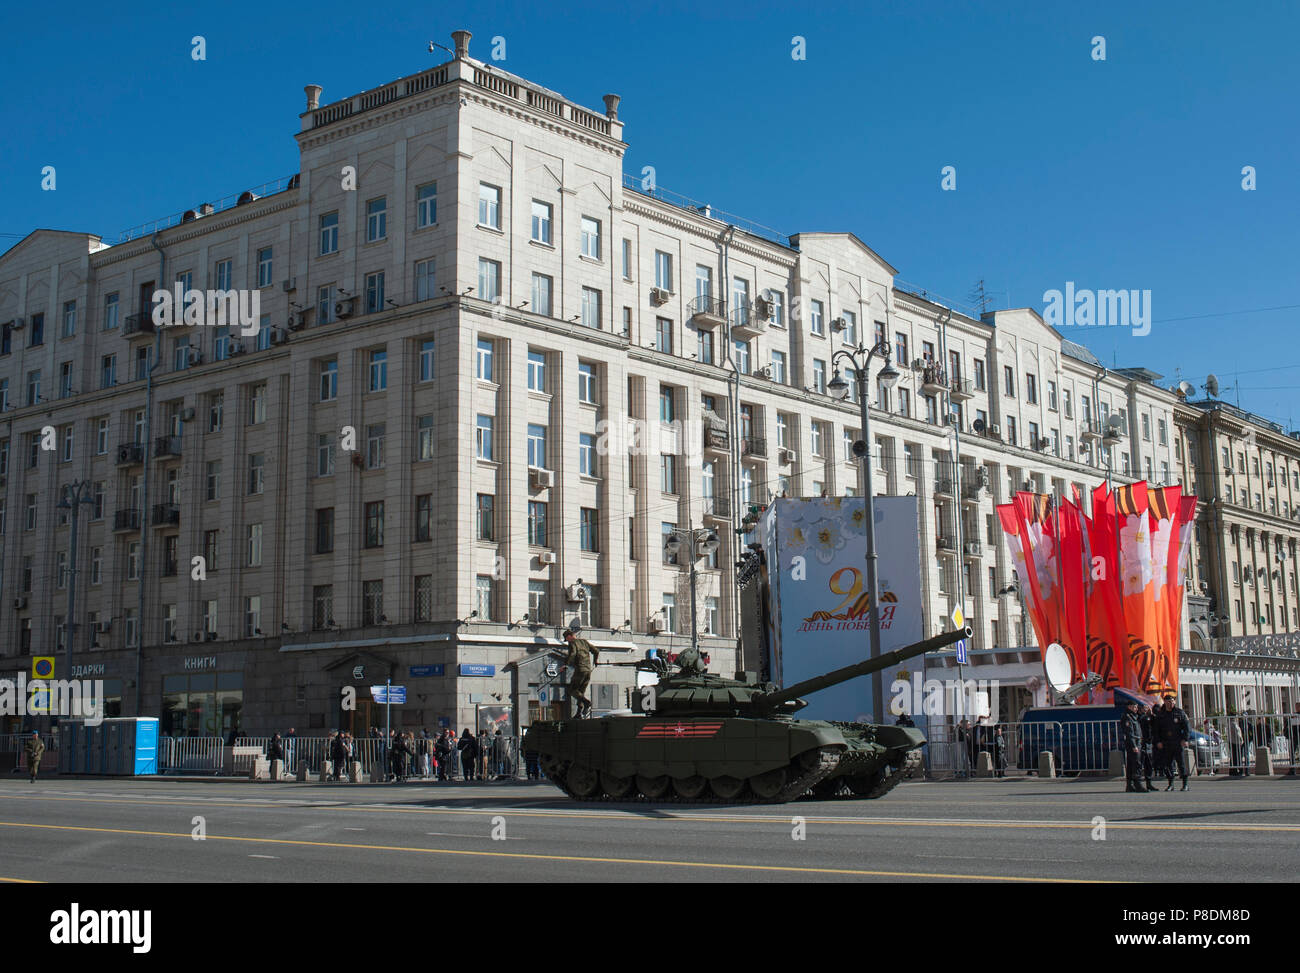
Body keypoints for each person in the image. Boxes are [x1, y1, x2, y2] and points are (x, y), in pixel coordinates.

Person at [1153, 694, 1191, 791]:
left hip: (1177, 742)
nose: (1171, 703)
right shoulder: (1161, 714)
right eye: (1168, 701)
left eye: (1172, 701)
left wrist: (1185, 739)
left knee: (1181, 764)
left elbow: (1187, 728)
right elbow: (1156, 730)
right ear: (1165, 702)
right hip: (1166, 743)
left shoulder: (1179, 713)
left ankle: (1185, 784)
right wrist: (1158, 741)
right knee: (1167, 765)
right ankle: (1171, 784)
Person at [563, 628, 600, 718]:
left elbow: (572, 654)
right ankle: (579, 713)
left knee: (572, 690)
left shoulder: (572, 643)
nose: (567, 641)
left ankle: (586, 703)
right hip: (588, 670)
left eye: (566, 639)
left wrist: (566, 665)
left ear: (569, 636)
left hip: (580, 669)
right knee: (580, 693)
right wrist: (595, 661)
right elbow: (596, 651)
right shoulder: (584, 642)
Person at [1120, 701, 1146, 792]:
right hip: (1133, 743)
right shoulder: (1127, 717)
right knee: (1136, 764)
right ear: (1130, 707)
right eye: (1135, 707)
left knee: (1131, 765)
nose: (1136, 709)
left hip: (1136, 742)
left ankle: (1130, 785)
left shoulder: (1133, 716)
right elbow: (1129, 732)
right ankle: (1138, 784)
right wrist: (1134, 745)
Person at [1139, 703, 1157, 791]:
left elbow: (1155, 722)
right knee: (1140, 763)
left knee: (1149, 764)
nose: (1146, 710)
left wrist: (1152, 714)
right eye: (1144, 708)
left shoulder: (1149, 717)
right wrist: (1149, 715)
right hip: (1142, 743)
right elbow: (1145, 720)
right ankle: (1138, 784)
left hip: (1149, 743)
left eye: (1147, 708)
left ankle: (1149, 783)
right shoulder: (1141, 717)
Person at [1288, 706, 1300, 777]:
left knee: (1293, 752)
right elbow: (1292, 726)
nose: (1296, 708)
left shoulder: (1295, 716)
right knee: (1292, 752)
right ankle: (1292, 769)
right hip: (1295, 736)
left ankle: (1293, 769)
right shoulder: (1294, 716)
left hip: (1296, 736)